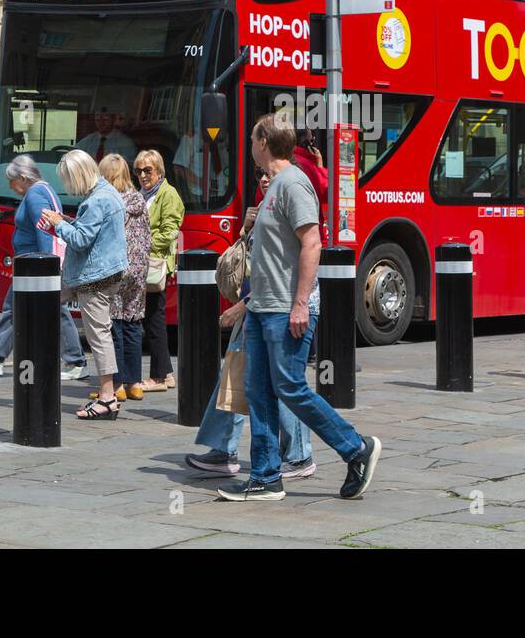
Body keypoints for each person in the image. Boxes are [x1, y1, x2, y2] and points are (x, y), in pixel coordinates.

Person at [217, 113, 381, 502]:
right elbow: (274, 255)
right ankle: (266, 476)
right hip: (261, 308)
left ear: (263, 142)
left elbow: (312, 244)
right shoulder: (272, 186)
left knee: (290, 387)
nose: (251, 143)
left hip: (286, 308)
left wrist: (300, 304)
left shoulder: (293, 184)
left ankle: (356, 448)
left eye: (254, 136)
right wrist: (246, 305)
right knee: (259, 391)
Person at [187, 172, 316, 478]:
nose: (263, 179)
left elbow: (281, 271)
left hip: (275, 306)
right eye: (260, 174)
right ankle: (223, 449)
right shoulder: (262, 211)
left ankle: (300, 454)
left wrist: (239, 309)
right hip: (258, 306)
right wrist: (246, 229)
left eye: (270, 174)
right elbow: (247, 263)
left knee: (284, 382)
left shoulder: (287, 206)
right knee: (234, 373)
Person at [0, 155, 87, 380]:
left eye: (12, 181)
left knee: (26, 310)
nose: (11, 187)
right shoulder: (43, 191)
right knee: (33, 310)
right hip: (34, 265)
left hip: (34, 265)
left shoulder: (35, 195)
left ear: (23, 178)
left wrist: (47, 267)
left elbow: (45, 230)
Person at [39, 150, 127, 421]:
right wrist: (65, 221)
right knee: (44, 302)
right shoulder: (108, 193)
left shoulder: (95, 201)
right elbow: (92, 231)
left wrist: (57, 225)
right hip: (103, 273)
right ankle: (51, 361)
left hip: (93, 278)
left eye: (67, 179)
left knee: (99, 337)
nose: (66, 186)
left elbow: (80, 240)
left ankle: (107, 397)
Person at [99, 153, 147, 402]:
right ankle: (135, 383)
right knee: (132, 322)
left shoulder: (110, 201)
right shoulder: (138, 198)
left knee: (114, 323)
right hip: (139, 269)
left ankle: (116, 384)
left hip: (117, 267)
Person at [136, 149, 184, 392]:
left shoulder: (168, 194)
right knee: (152, 320)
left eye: (148, 170)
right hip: (141, 264)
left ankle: (160, 376)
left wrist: (140, 244)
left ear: (159, 171)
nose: (143, 175)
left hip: (155, 265)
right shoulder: (143, 195)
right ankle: (164, 373)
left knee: (154, 319)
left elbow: (169, 232)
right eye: (139, 170)